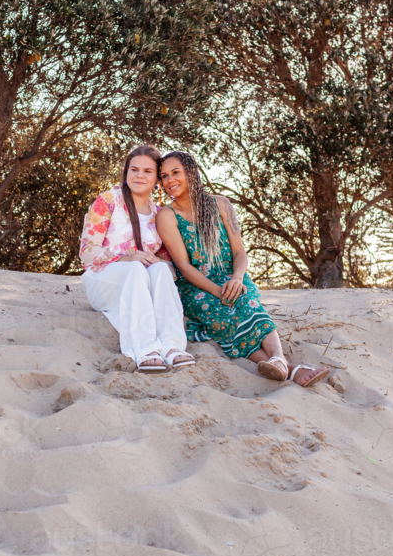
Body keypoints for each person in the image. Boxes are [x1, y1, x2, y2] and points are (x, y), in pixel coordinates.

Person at [156, 151, 329, 387]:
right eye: (164, 176)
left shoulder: (221, 204)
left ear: (191, 173)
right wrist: (218, 291)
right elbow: (184, 266)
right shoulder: (167, 215)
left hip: (232, 275)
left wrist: (237, 278)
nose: (169, 180)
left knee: (247, 302)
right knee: (222, 316)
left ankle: (278, 359)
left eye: (176, 172)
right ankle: (288, 368)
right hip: (196, 285)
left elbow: (239, 252)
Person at [80, 145, 195, 371]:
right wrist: (127, 258)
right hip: (103, 282)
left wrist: (158, 263)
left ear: (157, 180)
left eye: (147, 171)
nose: (139, 175)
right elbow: (87, 252)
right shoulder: (109, 200)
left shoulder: (159, 214)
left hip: (140, 286)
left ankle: (172, 346)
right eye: (134, 170)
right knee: (135, 269)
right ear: (126, 173)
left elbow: (169, 264)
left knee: (160, 270)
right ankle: (143, 348)